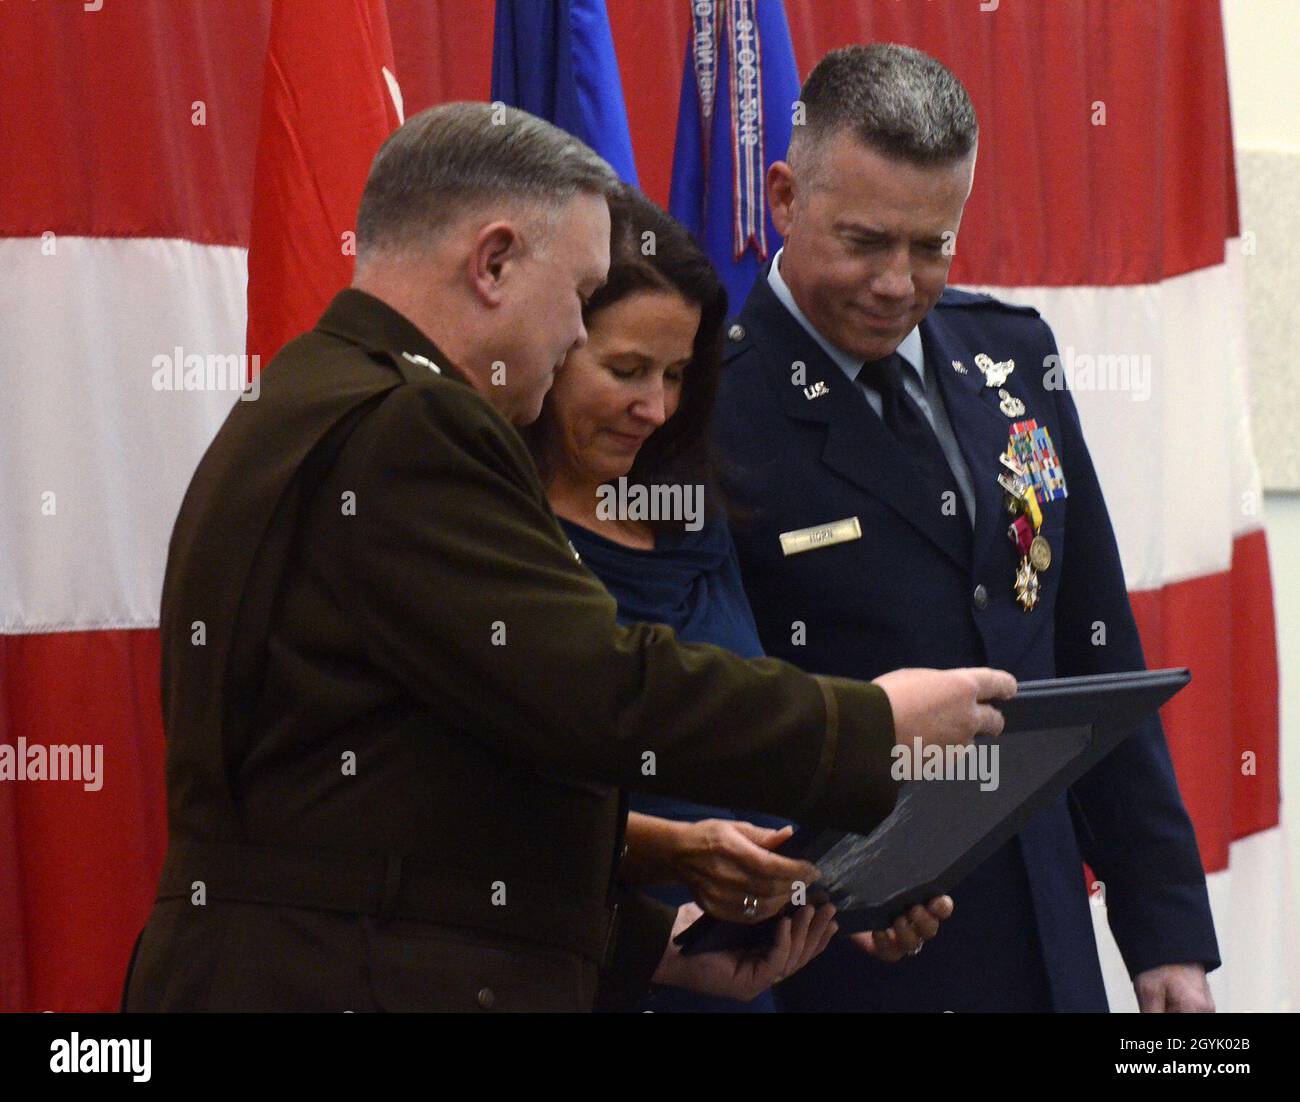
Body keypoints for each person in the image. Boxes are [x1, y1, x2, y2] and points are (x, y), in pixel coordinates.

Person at [122, 102, 1016, 1012]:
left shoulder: (309, 392)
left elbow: (422, 775)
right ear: (495, 262)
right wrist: (870, 727)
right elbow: (602, 691)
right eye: (582, 297)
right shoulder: (414, 425)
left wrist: (641, 941)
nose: (575, 340)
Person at [712, 45, 1219, 1013]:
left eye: (931, 245)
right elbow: (704, 722)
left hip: (1045, 941)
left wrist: (1163, 934)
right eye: (864, 241)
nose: (898, 284)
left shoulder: (1012, 356)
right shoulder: (711, 417)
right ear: (782, 196)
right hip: (850, 957)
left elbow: (1091, 644)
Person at [524, 184, 955, 1012]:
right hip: (585, 978)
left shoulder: (689, 513)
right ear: (551, 341)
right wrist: (678, 858)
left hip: (737, 982)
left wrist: (836, 886)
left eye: (678, 374)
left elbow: (749, 746)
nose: (653, 407)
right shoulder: (497, 536)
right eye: (625, 370)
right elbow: (497, 807)